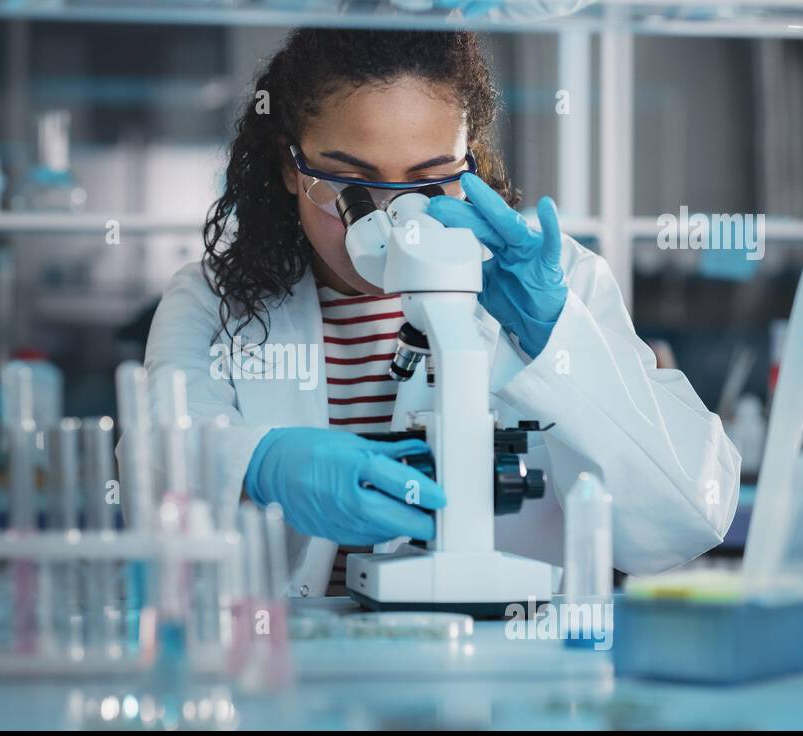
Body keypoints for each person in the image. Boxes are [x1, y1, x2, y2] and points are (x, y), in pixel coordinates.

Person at [121, 28, 739, 596]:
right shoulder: (214, 299)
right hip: (297, 675)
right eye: (352, 184)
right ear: (292, 166)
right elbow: (150, 473)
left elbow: (690, 515)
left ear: (467, 166)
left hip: (509, 677)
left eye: (427, 182)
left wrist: (556, 340)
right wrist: (258, 464)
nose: (390, 218)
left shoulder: (559, 283)